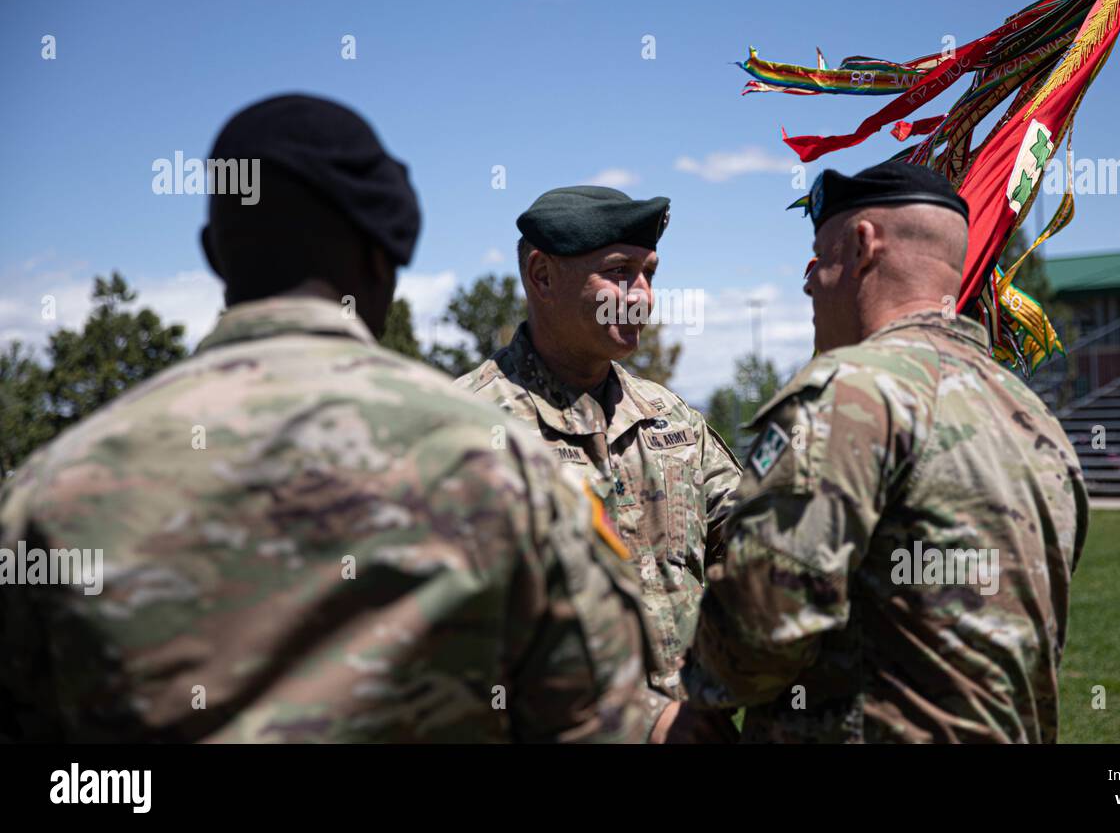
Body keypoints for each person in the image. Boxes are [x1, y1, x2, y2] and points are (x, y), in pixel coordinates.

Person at [0, 95, 648, 743]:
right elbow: (595, 724)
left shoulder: (51, 490)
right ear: (382, 256)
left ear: (213, 253)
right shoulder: (505, 466)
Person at [687, 161, 1089, 743]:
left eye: (818, 263)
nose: (812, 287)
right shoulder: (1034, 419)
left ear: (861, 245)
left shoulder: (849, 392)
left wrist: (690, 696)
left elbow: (761, 625)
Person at [457, 185, 741, 742]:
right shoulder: (468, 430)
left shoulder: (672, 420)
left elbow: (756, 546)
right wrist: (646, 719)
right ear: (541, 276)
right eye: (619, 272)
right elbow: (463, 634)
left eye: (649, 274)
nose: (641, 298)